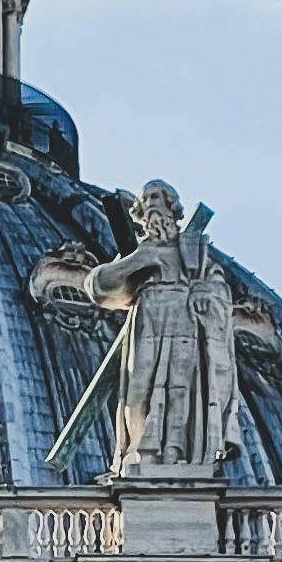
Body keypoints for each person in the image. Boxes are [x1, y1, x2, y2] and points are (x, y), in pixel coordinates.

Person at [88, 181, 240, 478]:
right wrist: (136, 261)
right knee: (138, 389)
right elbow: (99, 287)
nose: (152, 204)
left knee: (181, 387)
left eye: (158, 197)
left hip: (185, 319)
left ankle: (174, 451)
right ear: (140, 212)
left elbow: (219, 287)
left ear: (172, 207)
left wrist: (204, 292)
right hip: (149, 316)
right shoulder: (140, 250)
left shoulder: (195, 251)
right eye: (146, 200)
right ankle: (139, 449)